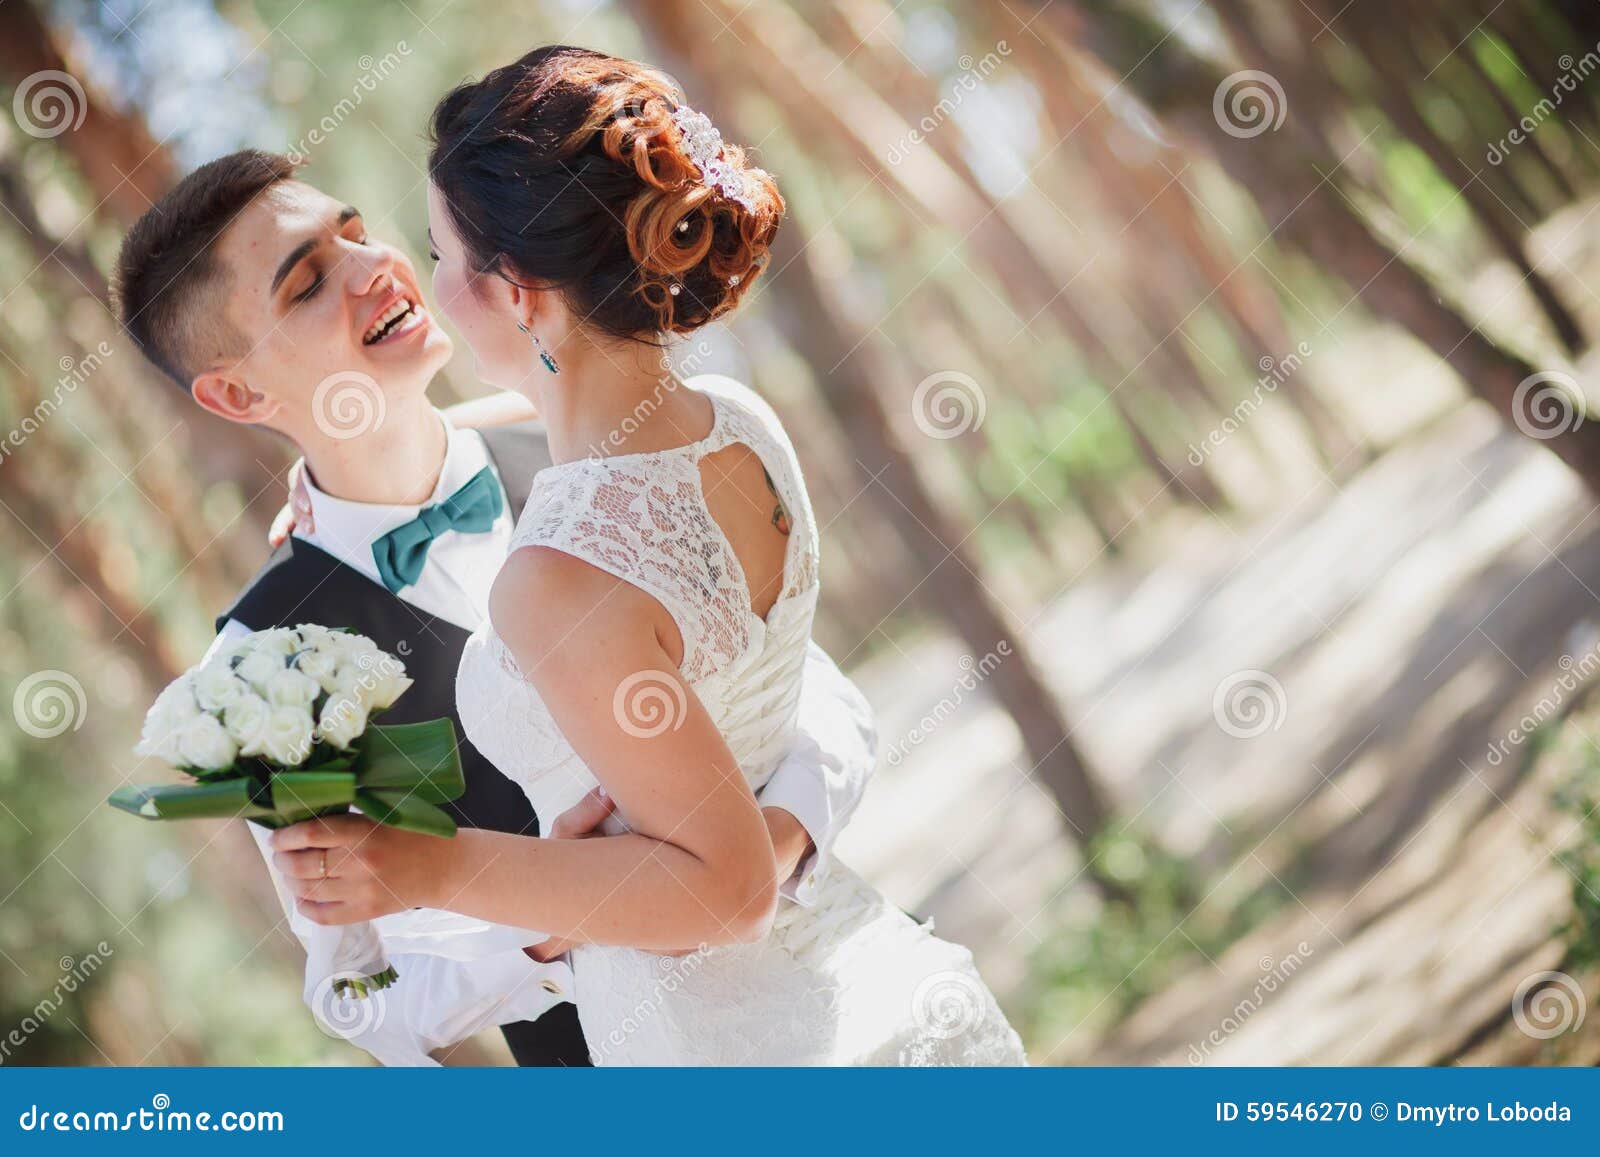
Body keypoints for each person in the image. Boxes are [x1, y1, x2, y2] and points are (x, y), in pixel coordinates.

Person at [269, 45, 1025, 1065]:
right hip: (876, 982)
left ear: (518, 290)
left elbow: (729, 891)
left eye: (442, 255)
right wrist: (343, 467)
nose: (429, 283)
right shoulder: (739, 423)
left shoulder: (559, 578)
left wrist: (427, 868)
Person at [111, 145, 878, 1066]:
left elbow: (803, 680)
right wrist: (546, 930)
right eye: (309, 282)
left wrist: (771, 847)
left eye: (356, 232)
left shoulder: (587, 443)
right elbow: (357, 995)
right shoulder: (262, 669)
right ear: (238, 392)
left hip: (836, 995)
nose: (375, 265)